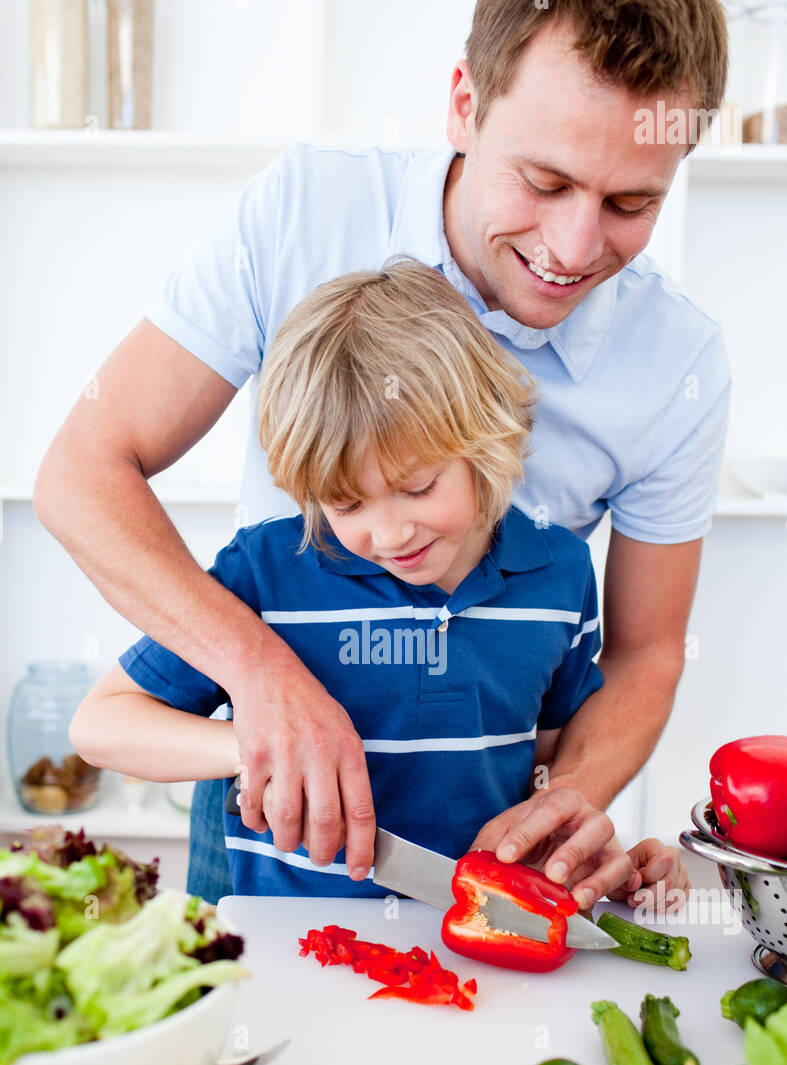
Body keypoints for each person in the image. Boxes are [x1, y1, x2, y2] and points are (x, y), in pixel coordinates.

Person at [36, 0, 726, 909]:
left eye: (631, 202)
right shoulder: (305, 208)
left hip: (480, 852)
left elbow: (639, 659)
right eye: (543, 181)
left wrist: (558, 820)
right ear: (464, 105)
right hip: (276, 811)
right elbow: (83, 471)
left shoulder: (677, 362)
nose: (572, 247)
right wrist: (265, 687)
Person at [69, 258, 686, 905]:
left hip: (472, 946)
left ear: (484, 436)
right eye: (345, 503)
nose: (390, 535)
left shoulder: (558, 574)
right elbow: (101, 726)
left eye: (417, 488)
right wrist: (254, 744)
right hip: (292, 950)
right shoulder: (267, 569)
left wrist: (581, 849)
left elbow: (547, 766)